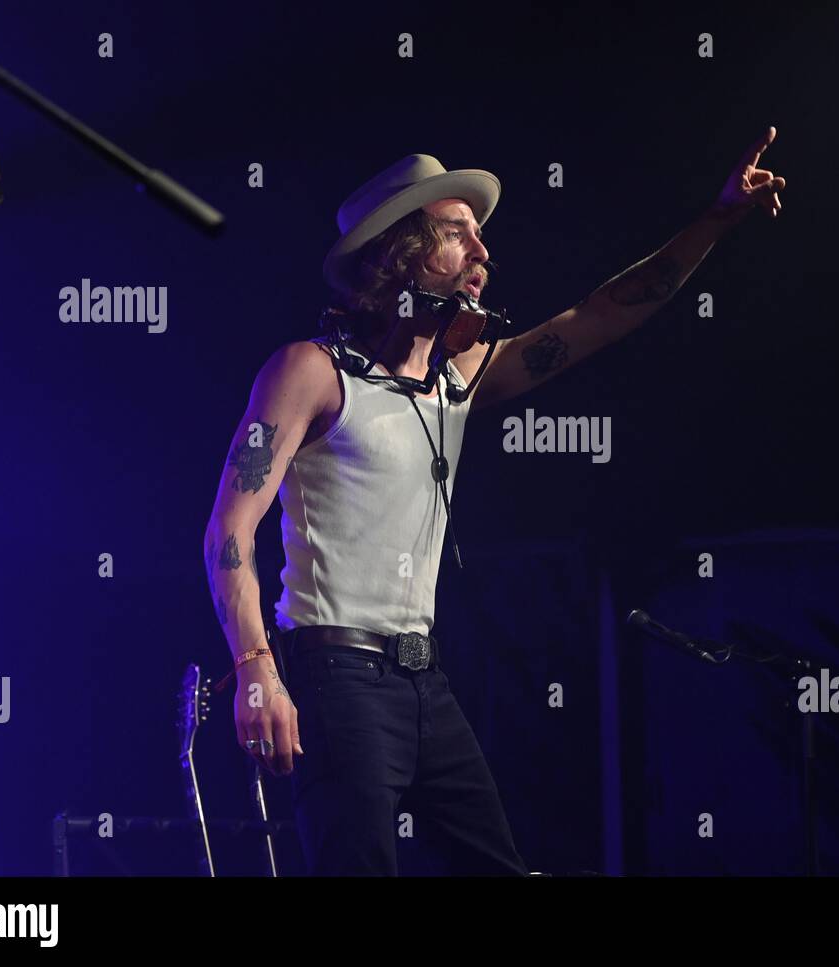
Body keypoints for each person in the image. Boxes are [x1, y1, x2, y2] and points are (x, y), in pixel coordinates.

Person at [202, 134, 785, 875]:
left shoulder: (459, 376)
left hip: (425, 678)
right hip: (335, 674)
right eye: (457, 233)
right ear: (401, 252)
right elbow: (229, 528)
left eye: (481, 235)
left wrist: (716, 220)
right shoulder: (311, 372)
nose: (483, 250)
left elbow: (600, 316)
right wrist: (256, 666)